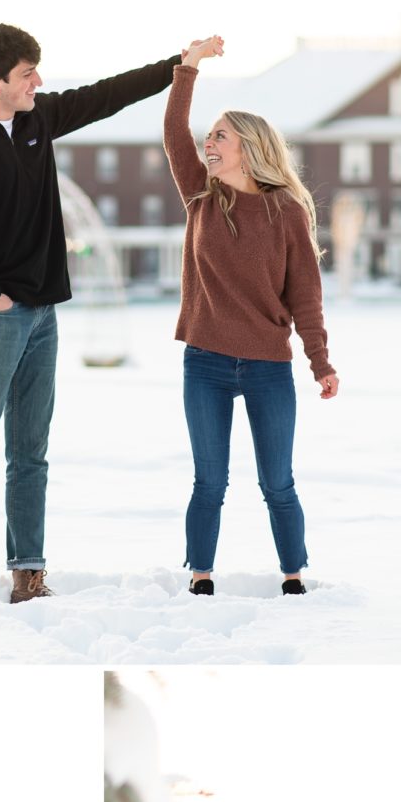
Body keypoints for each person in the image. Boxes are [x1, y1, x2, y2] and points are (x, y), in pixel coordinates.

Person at [0, 21, 184, 607]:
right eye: (26, 74)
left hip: (42, 313)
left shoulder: (38, 120)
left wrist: (178, 64)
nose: (37, 82)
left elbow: (104, 95)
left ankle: (28, 574)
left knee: (31, 452)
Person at [162, 36, 339, 596]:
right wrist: (187, 69)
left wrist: (320, 362)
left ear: (248, 147)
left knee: (277, 482)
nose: (209, 143)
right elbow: (173, 135)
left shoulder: (286, 211)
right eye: (210, 135)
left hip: (267, 366)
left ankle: (292, 576)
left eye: (220, 136)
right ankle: (201, 575)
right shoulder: (201, 198)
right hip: (206, 362)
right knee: (209, 481)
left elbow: (305, 295)